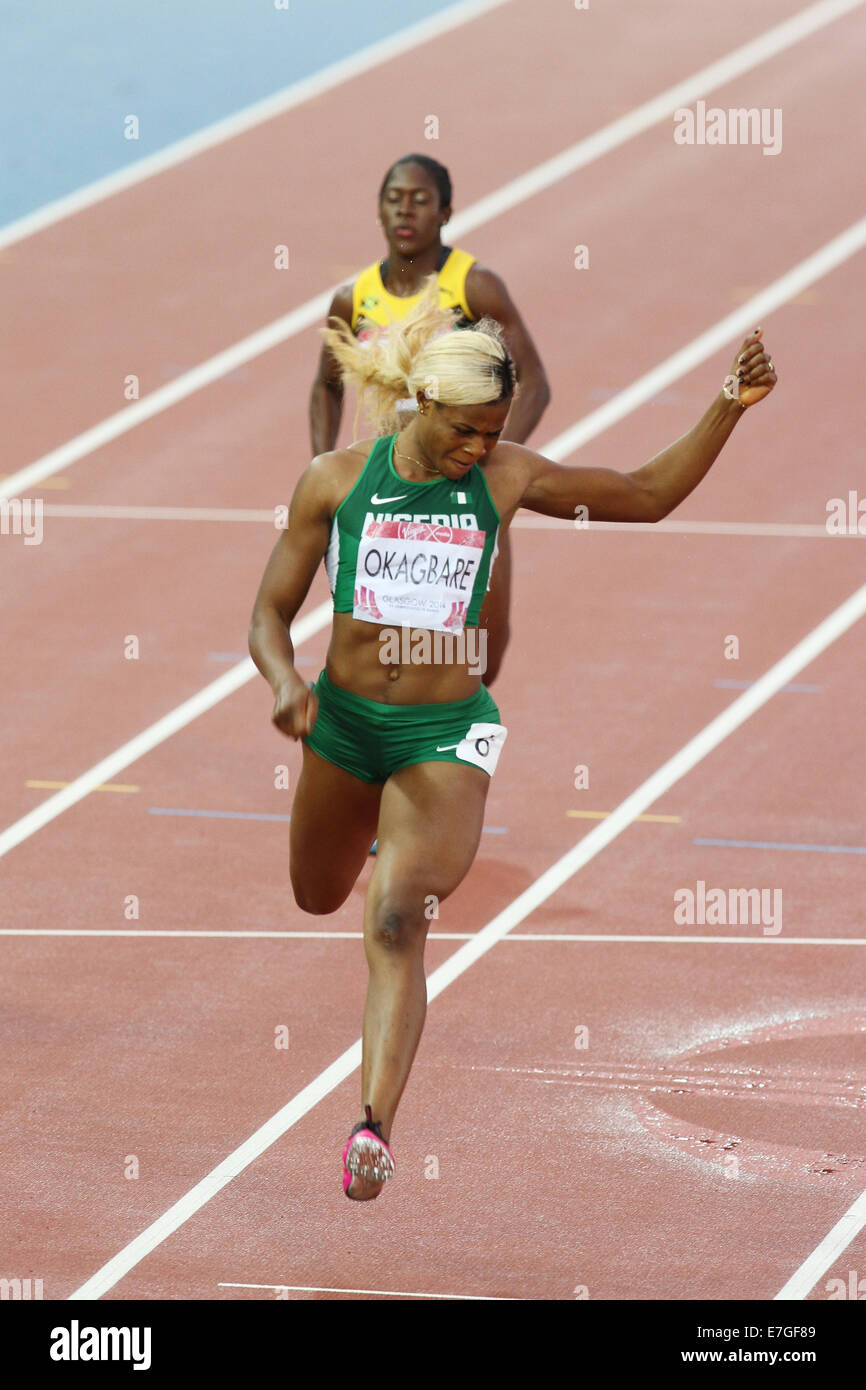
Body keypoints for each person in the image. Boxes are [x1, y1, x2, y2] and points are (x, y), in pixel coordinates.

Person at [250, 286, 776, 1200]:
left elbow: (647, 496)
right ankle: (371, 832)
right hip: (341, 723)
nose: (479, 449)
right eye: (466, 430)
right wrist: (287, 683)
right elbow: (266, 613)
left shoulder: (504, 480)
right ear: (422, 404)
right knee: (315, 893)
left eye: (492, 431)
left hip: (442, 734)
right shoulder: (334, 482)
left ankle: (372, 1125)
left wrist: (726, 402)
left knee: (394, 915)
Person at [309, 152, 550, 688]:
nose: (406, 211)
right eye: (394, 199)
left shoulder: (474, 288)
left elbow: (534, 382)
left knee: (481, 656)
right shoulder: (353, 298)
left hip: (463, 487)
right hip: (390, 487)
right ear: (378, 210)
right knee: (384, 645)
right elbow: (326, 387)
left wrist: (484, 455)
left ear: (445, 213)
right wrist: (321, 468)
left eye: (420, 201)